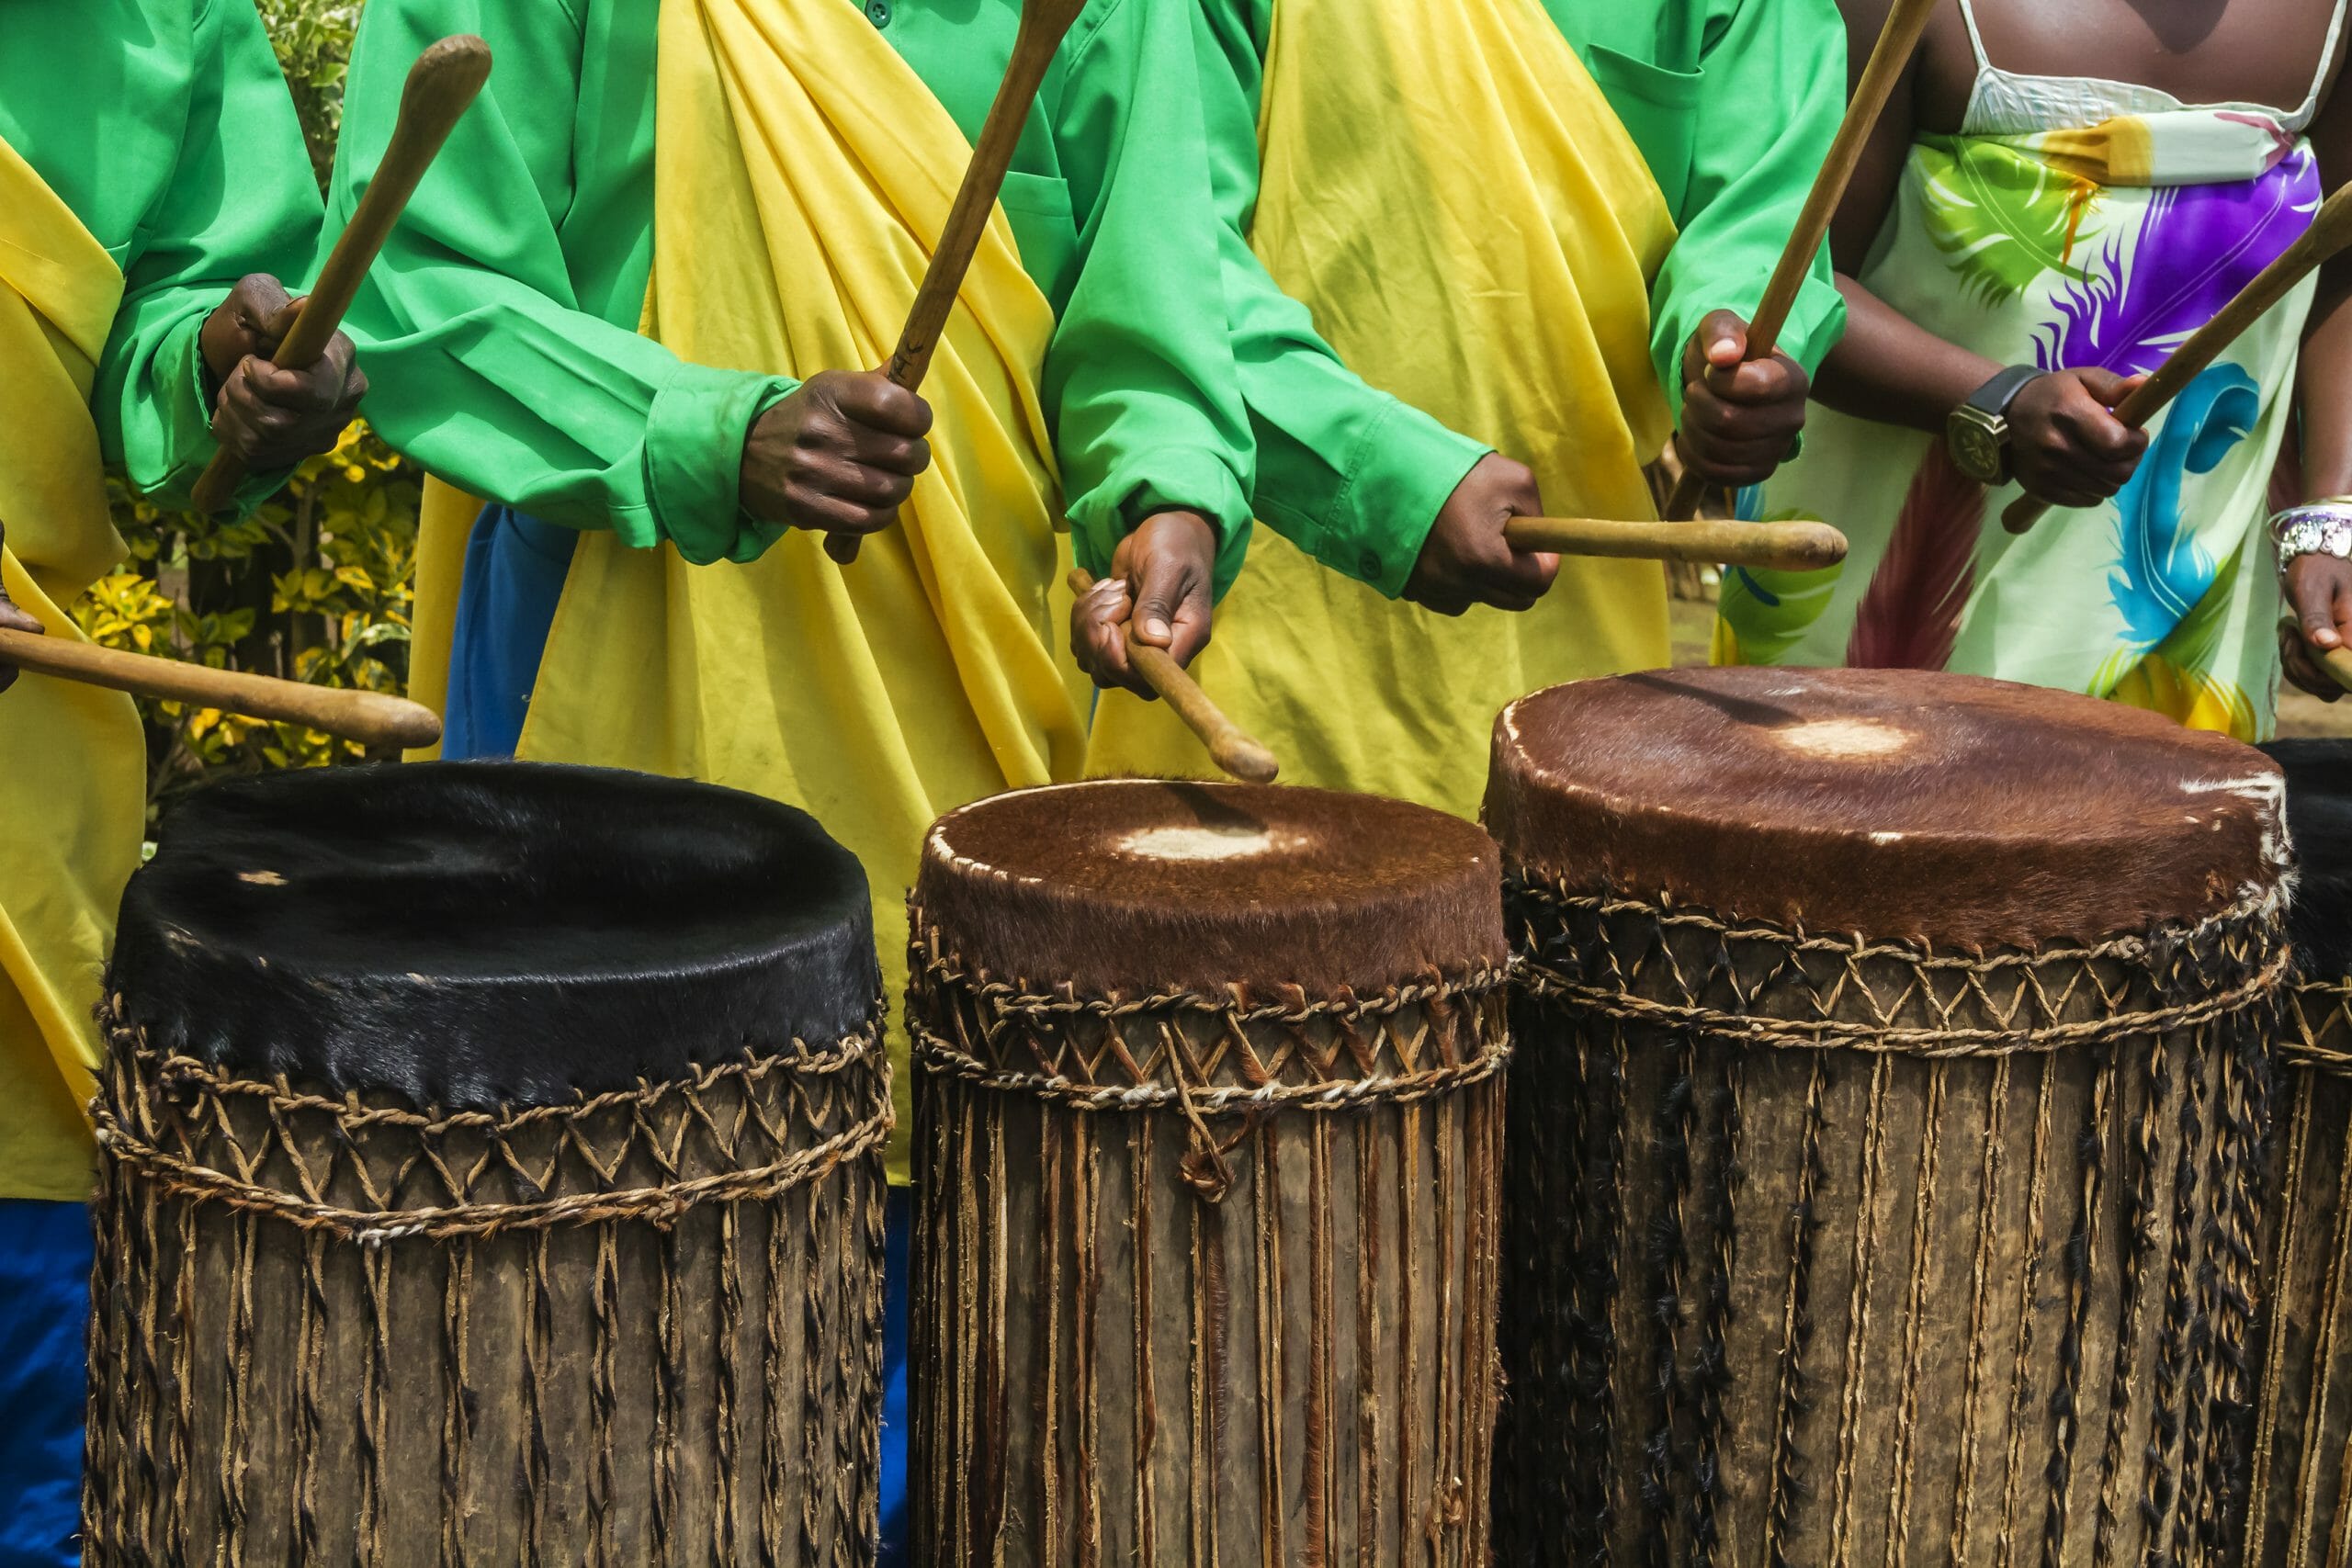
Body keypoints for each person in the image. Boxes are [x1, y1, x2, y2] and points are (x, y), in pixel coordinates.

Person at [329, 0, 1253, 1554]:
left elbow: (1151, 290)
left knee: (917, 1374)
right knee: (560, 1376)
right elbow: (413, 292)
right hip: (594, 740)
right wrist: (709, 431)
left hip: (955, 739)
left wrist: (1169, 495)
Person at [1074, 0, 1848, 821]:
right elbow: (1167, 245)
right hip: (1252, 597)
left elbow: (1761, 214)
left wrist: (1734, 339)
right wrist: (1392, 480)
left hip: (1575, 656)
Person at [0, 3, 365, 1561]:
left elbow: (164, 339)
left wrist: (227, 357)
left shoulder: (168, 20)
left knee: (49, 1462)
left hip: (23, 809)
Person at [1714, 0, 2352, 740]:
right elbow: (1786, 286)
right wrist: (1997, 401)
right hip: (1884, 614)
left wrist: (2332, 515)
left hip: (2185, 609)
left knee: (2158, 840)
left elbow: (2336, 259)